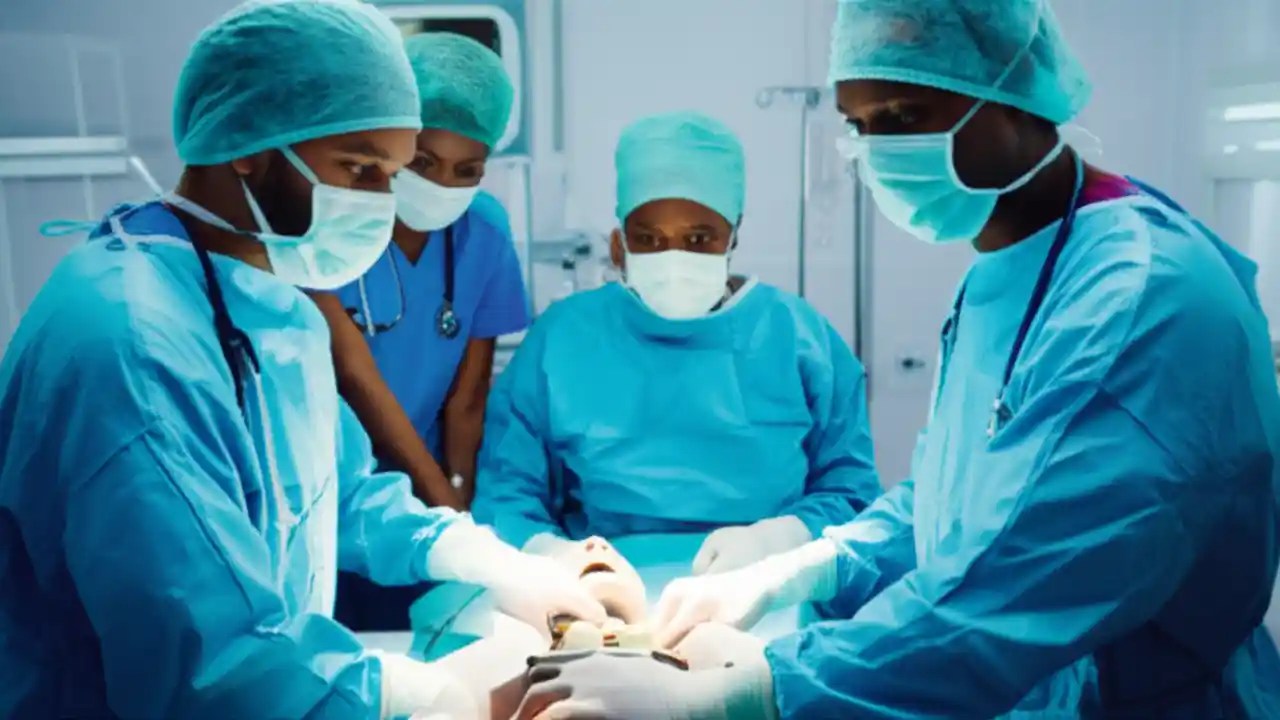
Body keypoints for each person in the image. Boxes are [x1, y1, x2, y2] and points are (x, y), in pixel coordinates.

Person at [515, 1, 1280, 718]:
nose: (877, 151)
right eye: (859, 124)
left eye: (904, 117)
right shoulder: (1009, 269)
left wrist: (755, 688)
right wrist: (810, 566)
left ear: (1013, 93)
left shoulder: (1140, 302)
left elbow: (1017, 586)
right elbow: (957, 501)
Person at [0, 2, 604, 718]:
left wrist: (482, 558)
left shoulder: (266, 299)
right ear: (249, 145)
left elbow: (338, 494)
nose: (385, 205)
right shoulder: (132, 342)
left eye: (392, 172)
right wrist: (430, 695)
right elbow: (213, 669)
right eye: (362, 170)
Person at [472, 111, 880, 575]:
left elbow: (852, 491)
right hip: (598, 589)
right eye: (649, 239)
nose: (673, 258)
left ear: (734, 233)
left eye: (699, 238)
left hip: (774, 581)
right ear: (619, 242)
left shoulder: (799, 339)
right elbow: (508, 490)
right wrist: (553, 555)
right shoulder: (564, 339)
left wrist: (777, 539)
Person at [312, 32, 531, 632]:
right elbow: (357, 378)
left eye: (468, 170)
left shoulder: (483, 231)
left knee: (429, 633)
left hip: (427, 484)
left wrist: (459, 501)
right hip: (332, 486)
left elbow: (468, 397)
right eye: (424, 163)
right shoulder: (340, 225)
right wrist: (447, 515)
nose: (443, 185)